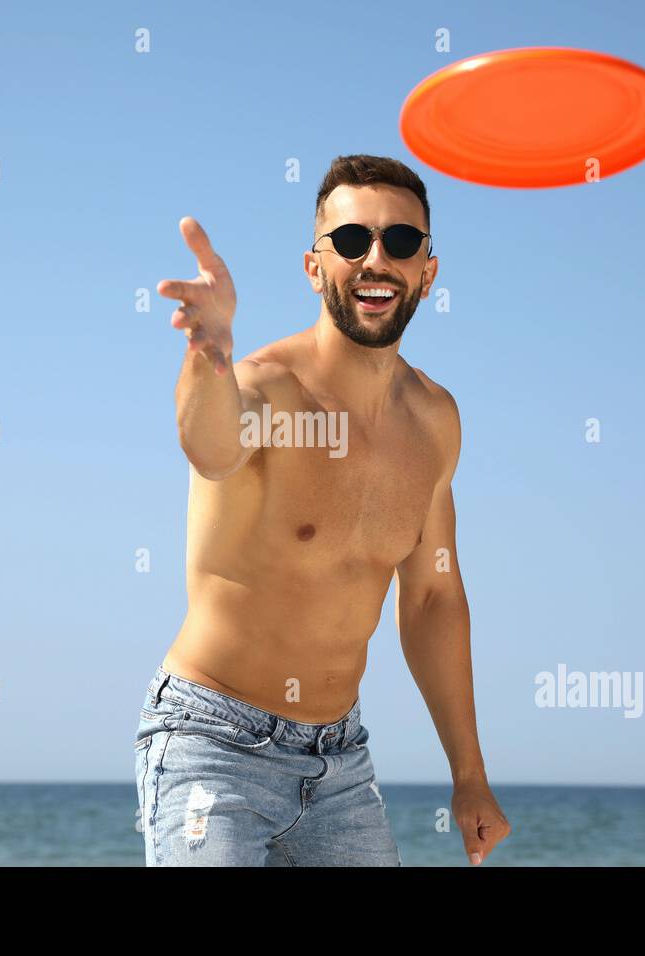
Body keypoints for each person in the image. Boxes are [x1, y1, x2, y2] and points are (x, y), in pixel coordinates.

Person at [134, 154, 510, 866]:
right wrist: (207, 354)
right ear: (314, 267)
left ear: (427, 272)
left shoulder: (435, 421)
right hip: (212, 744)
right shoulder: (266, 390)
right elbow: (211, 446)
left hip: (340, 765)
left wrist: (469, 777)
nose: (376, 260)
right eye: (351, 242)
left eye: (401, 242)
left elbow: (432, 597)